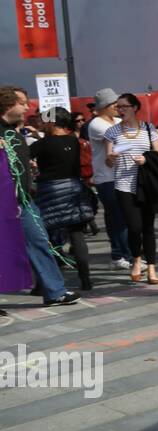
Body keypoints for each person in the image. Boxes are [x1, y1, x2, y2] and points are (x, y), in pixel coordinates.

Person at [0, 87, 79, 305]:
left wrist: (29, 169)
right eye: (23, 103)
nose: (27, 107)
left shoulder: (13, 131)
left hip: (23, 200)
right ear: (9, 104)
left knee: (39, 242)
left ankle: (55, 291)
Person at [31, 107, 95, 291]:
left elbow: (24, 156)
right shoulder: (74, 141)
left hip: (50, 192)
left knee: (47, 239)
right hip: (74, 190)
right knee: (77, 234)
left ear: (52, 122)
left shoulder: (42, 144)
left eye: (44, 121)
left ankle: (42, 284)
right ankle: (86, 279)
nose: (41, 124)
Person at [104, 93, 158, 284]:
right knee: (134, 226)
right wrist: (111, 158)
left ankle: (152, 267)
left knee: (148, 227)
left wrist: (146, 159)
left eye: (124, 106)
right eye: (118, 107)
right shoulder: (112, 132)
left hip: (146, 184)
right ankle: (137, 260)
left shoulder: (148, 128)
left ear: (135, 108)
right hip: (124, 184)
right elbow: (108, 161)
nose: (120, 110)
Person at [86, 88, 131, 269]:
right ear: (104, 106)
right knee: (119, 217)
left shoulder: (118, 120)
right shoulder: (96, 124)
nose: (117, 107)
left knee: (118, 218)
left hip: (124, 175)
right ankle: (126, 255)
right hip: (107, 178)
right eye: (114, 104)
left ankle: (118, 255)